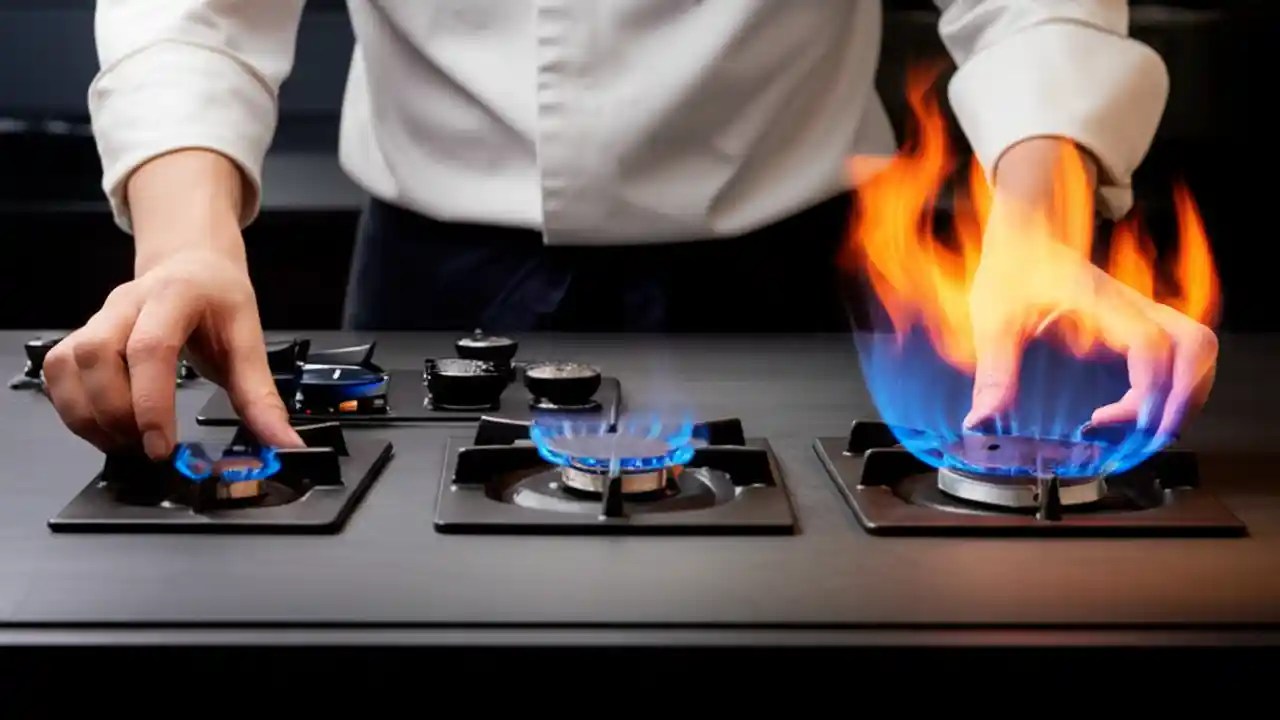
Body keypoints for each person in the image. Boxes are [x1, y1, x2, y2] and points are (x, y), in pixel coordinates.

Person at [46, 1, 1217, 462]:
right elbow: (194, 16)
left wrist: (1040, 221)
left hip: (790, 268)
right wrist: (186, 244)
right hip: (433, 278)